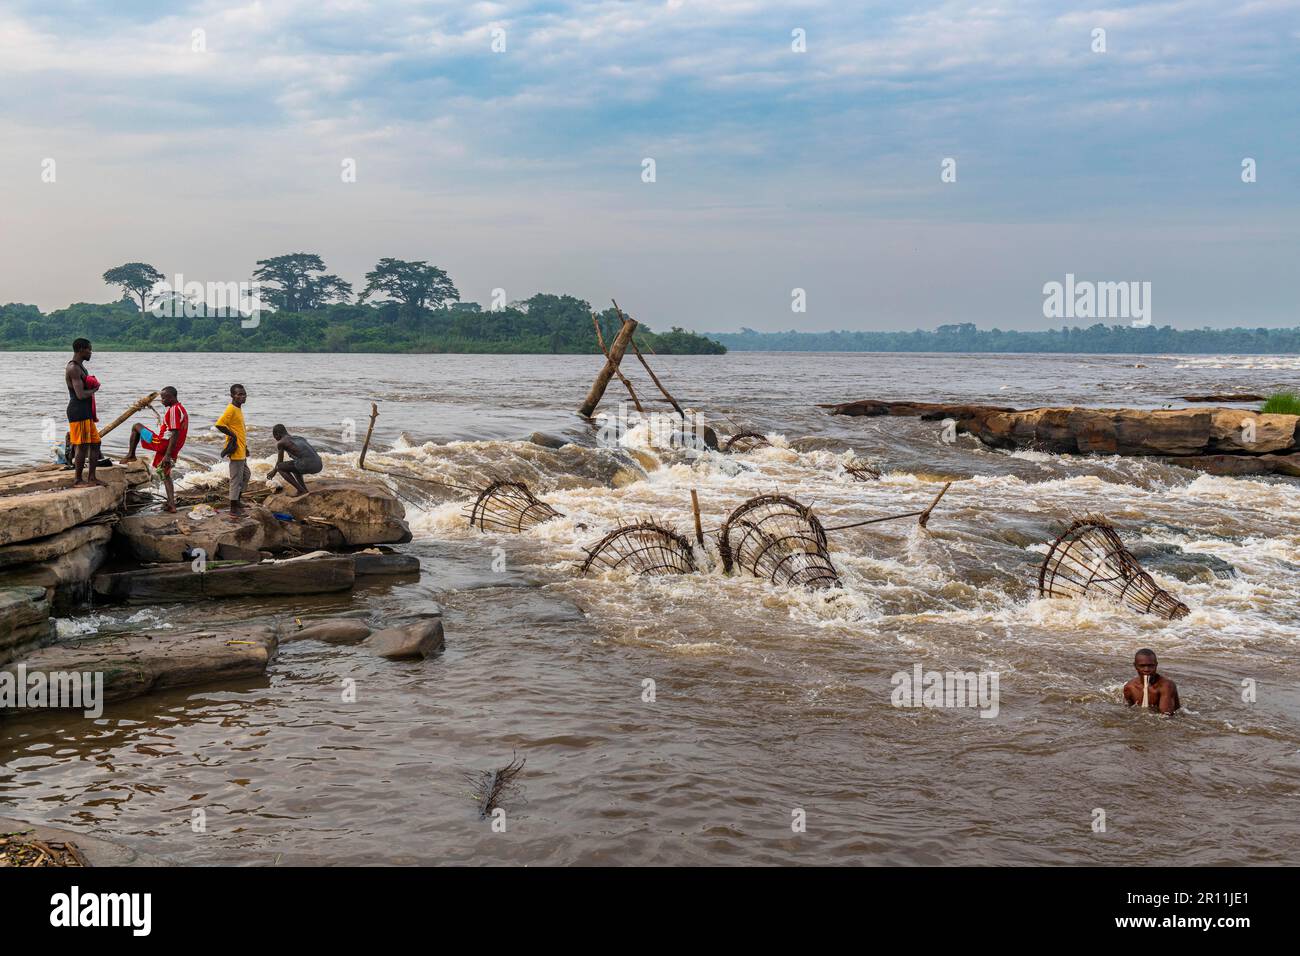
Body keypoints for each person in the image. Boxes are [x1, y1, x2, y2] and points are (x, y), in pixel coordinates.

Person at [125, 386, 188, 513]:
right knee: (165, 473)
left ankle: (131, 455)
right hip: (173, 447)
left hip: (162, 444)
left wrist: (167, 455)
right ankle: (171, 504)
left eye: (164, 398)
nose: (162, 401)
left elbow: (174, 433)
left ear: (172, 397)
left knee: (136, 426)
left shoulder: (173, 411)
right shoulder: (181, 409)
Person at [65, 338, 103, 487]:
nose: (91, 352)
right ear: (81, 349)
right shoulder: (73, 368)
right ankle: (78, 480)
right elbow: (80, 395)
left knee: (96, 443)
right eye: (89, 349)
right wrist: (94, 389)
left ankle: (92, 478)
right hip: (78, 411)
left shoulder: (80, 367)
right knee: (82, 446)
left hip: (85, 411)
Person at [214, 384, 250, 516]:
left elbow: (239, 430)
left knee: (246, 475)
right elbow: (219, 424)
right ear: (232, 396)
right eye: (239, 394)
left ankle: (237, 500)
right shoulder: (231, 409)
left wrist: (245, 447)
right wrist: (233, 436)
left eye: (244, 394)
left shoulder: (238, 409)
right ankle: (233, 508)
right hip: (235, 451)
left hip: (241, 449)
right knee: (236, 479)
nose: (242, 396)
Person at [267, 424, 322, 496]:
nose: (276, 439)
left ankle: (301, 490)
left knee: (280, 467)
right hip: (319, 465)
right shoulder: (300, 438)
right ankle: (304, 489)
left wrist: (273, 472)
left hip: (308, 465)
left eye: (275, 437)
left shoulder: (281, 442)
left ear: (277, 434)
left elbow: (279, 462)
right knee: (295, 466)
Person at [1122, 648, 1180, 715]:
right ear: (1135, 666)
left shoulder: (1166, 686)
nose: (1147, 669)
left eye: (1151, 665)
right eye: (1142, 666)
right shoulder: (1129, 687)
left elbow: (1167, 717)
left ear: (1156, 665)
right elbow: (1128, 712)